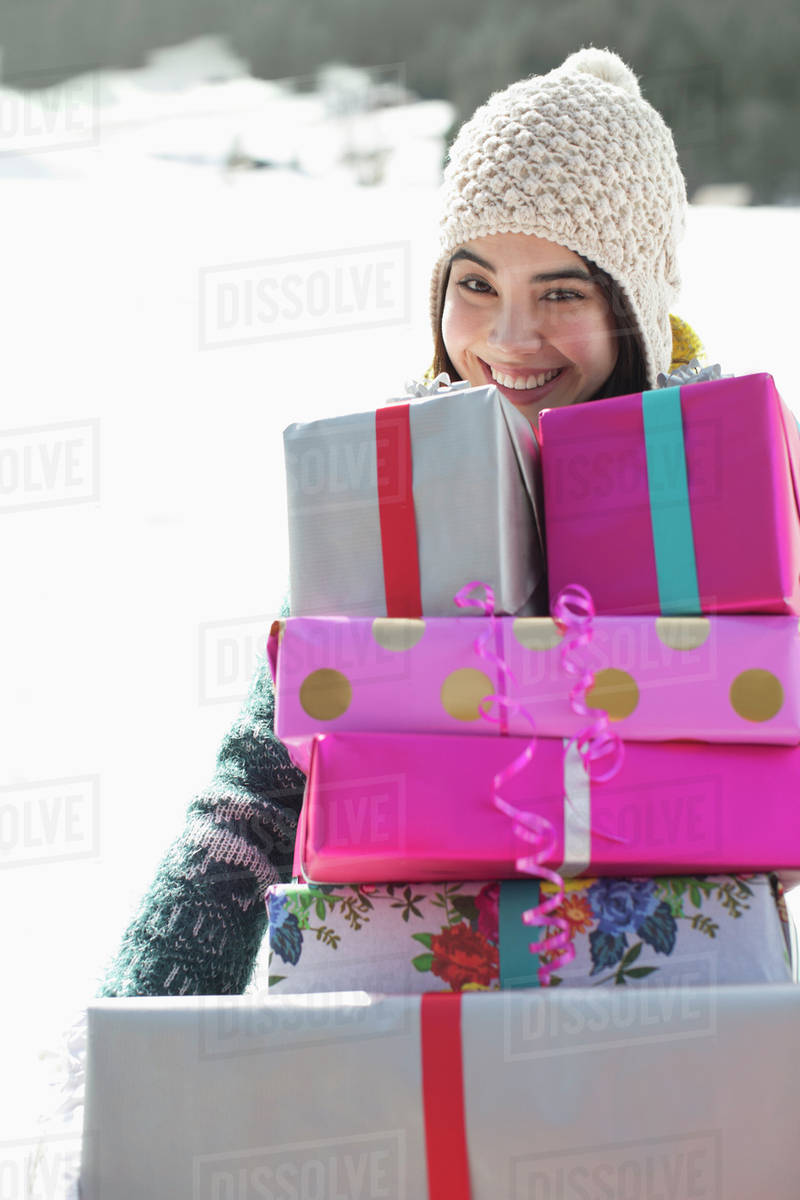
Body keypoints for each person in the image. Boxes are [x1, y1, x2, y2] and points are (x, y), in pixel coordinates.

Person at [98, 45, 703, 997]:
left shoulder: (721, 491)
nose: (508, 339)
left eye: (563, 290)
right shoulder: (395, 506)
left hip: (679, 1023)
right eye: (476, 284)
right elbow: (259, 793)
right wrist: (141, 1027)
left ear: (636, 307)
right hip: (412, 1027)